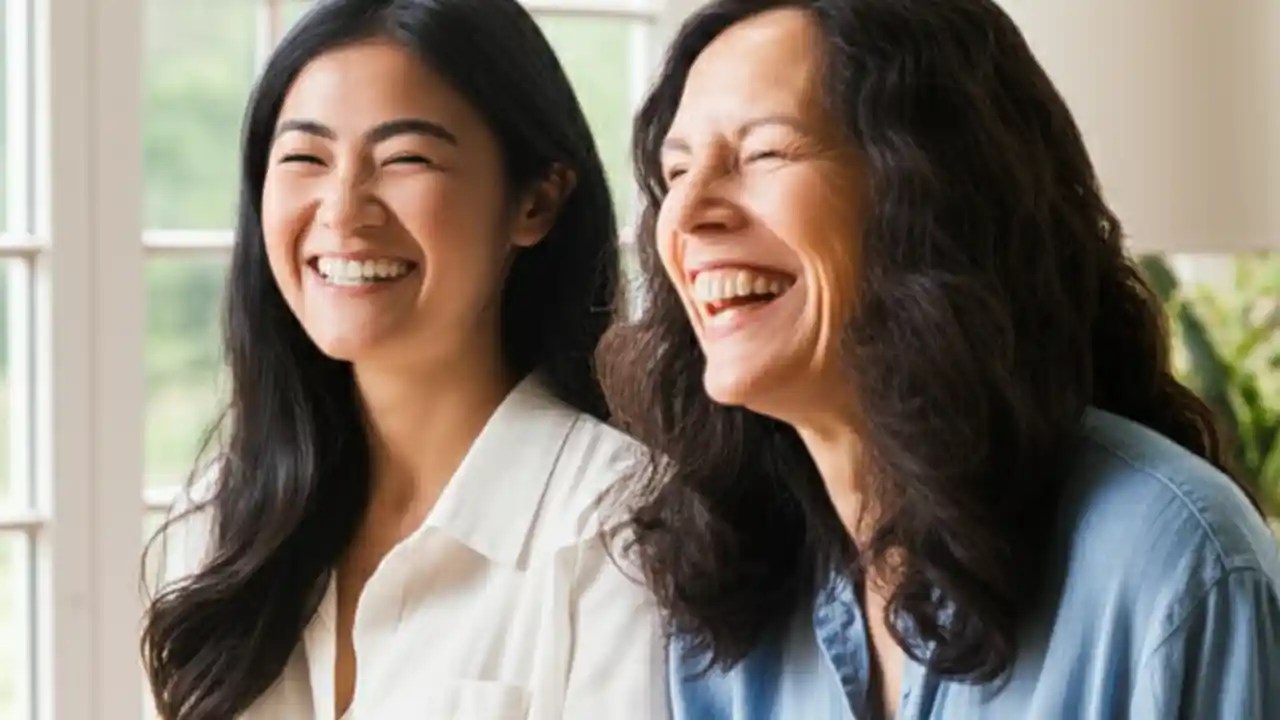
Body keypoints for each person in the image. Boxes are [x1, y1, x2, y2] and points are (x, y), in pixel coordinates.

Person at [599, 1, 1280, 718]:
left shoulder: (1173, 565)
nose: (691, 212)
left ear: (929, 195)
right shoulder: (730, 593)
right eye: (675, 172)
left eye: (765, 153)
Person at [141, 1, 664, 718]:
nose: (344, 209)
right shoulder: (225, 520)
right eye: (305, 159)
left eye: (406, 159)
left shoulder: (617, 525)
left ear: (536, 202)